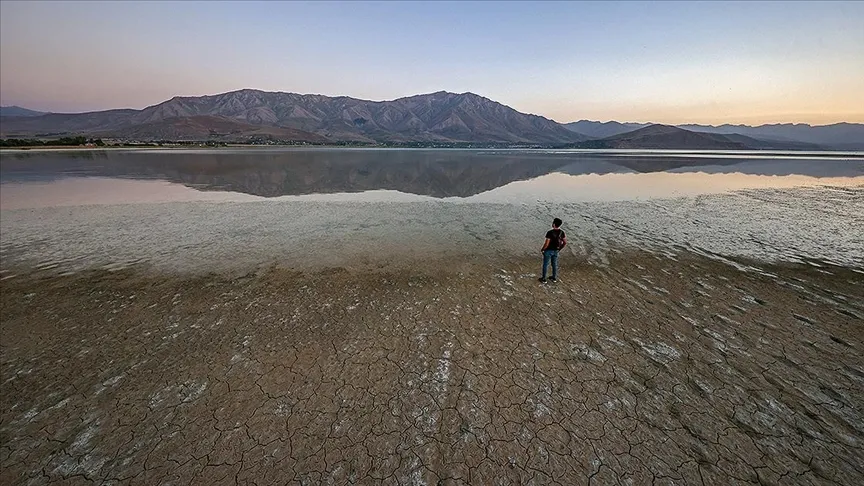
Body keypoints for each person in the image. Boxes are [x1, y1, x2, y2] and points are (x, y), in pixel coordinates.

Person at [539, 218, 566, 283]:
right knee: (554, 264)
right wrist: (559, 249)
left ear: (554, 224)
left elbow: (546, 244)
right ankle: (554, 278)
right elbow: (564, 242)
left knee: (545, 264)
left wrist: (542, 249)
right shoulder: (562, 232)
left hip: (548, 250)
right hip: (556, 250)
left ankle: (544, 279)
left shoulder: (550, 232)